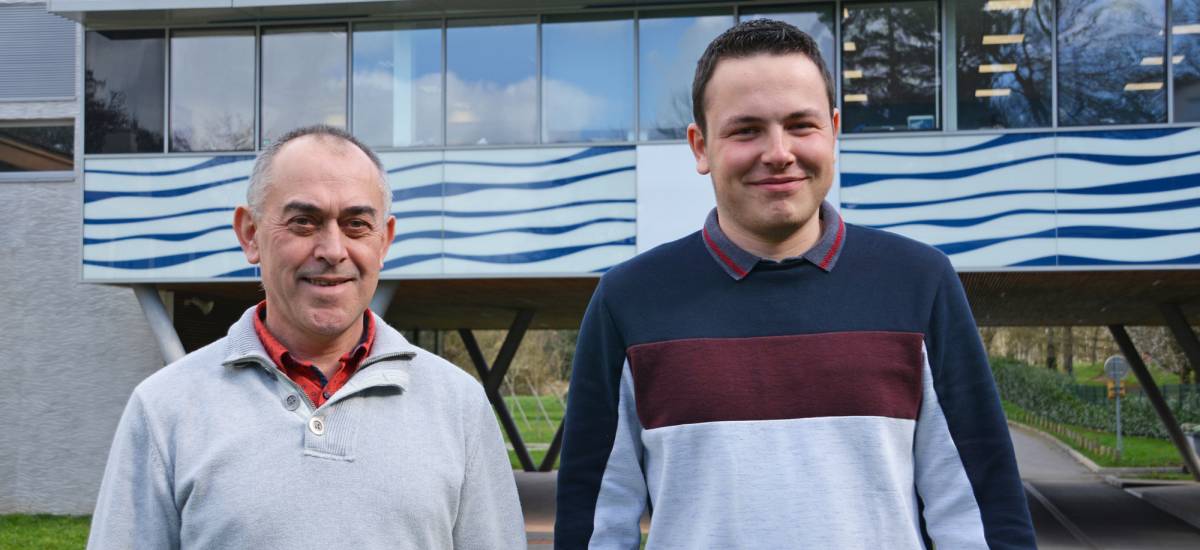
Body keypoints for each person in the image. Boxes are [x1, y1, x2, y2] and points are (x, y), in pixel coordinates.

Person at [555, 19, 1035, 549]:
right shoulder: (628, 301)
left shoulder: (921, 284)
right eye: (746, 130)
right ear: (700, 147)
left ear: (832, 131)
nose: (779, 152)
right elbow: (594, 524)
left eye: (800, 125)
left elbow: (980, 512)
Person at [88, 125, 526, 549]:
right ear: (251, 234)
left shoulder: (460, 407)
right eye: (304, 222)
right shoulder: (164, 408)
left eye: (356, 224)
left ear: (384, 241)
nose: (333, 250)